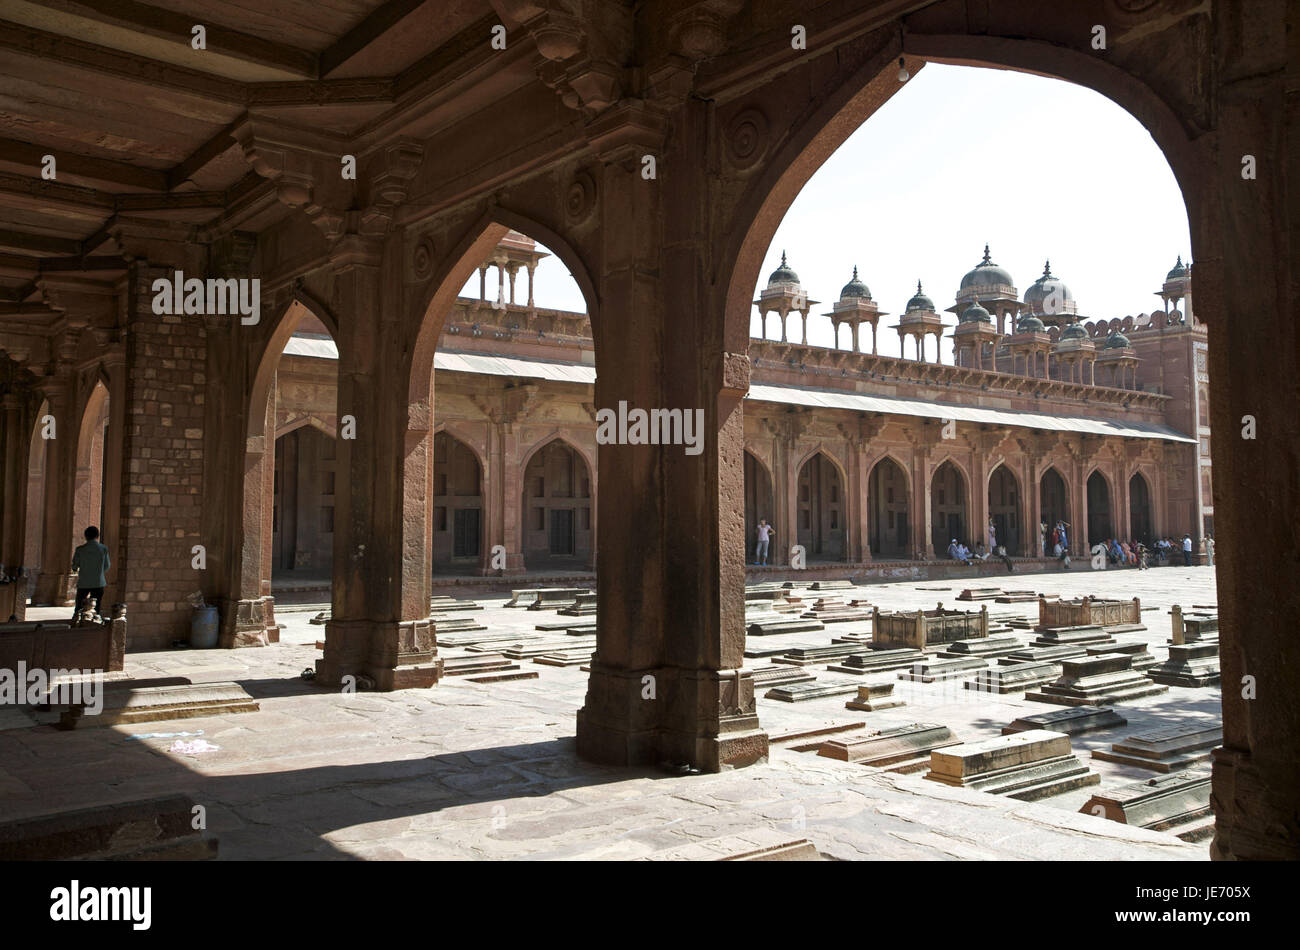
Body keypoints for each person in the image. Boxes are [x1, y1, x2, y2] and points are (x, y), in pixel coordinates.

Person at [71, 525, 110, 619]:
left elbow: (75, 566)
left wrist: (78, 568)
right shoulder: (103, 549)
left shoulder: (80, 550)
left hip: (84, 582)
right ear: (97, 536)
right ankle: (94, 625)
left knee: (79, 607)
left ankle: (77, 624)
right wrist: (99, 572)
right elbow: (107, 566)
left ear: (86, 536)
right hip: (98, 582)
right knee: (96, 608)